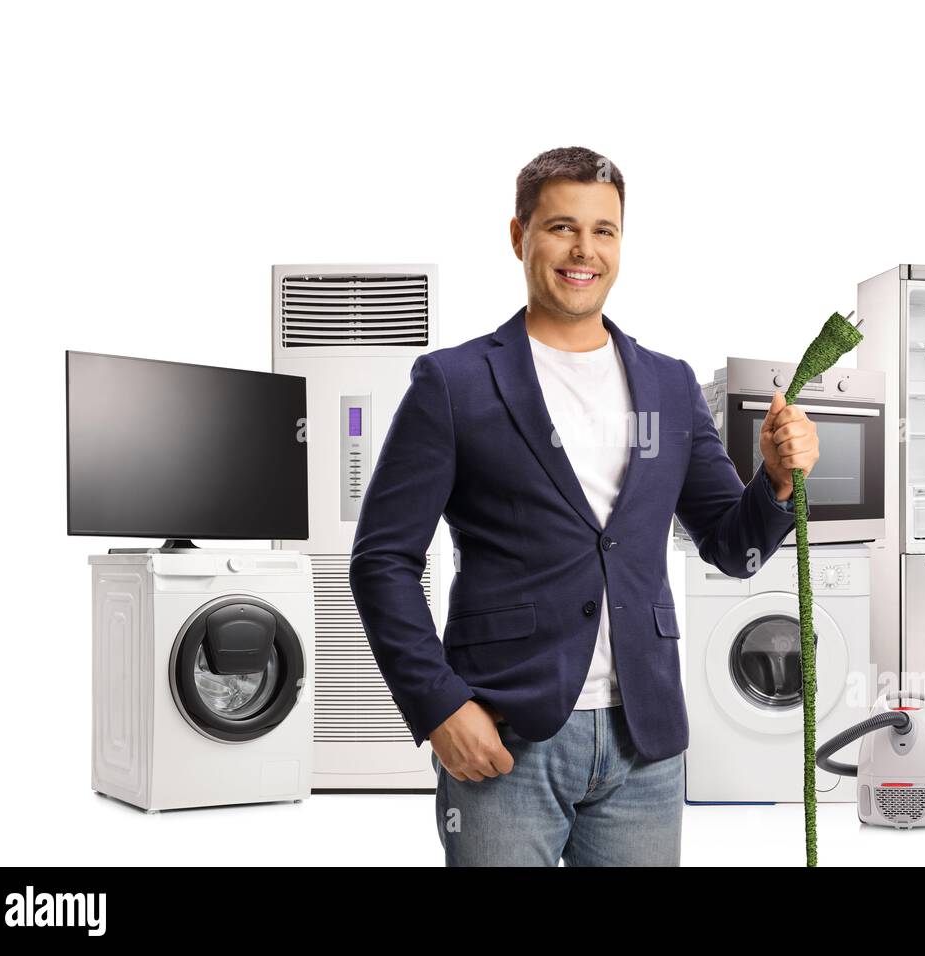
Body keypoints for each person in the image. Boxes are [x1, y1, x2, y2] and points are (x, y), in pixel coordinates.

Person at [349, 146, 820, 866]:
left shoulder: (669, 385)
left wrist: (777, 481)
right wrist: (440, 706)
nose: (584, 250)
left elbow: (730, 543)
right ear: (520, 237)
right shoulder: (453, 382)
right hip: (506, 737)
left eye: (604, 231)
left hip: (644, 744)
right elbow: (382, 560)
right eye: (562, 227)